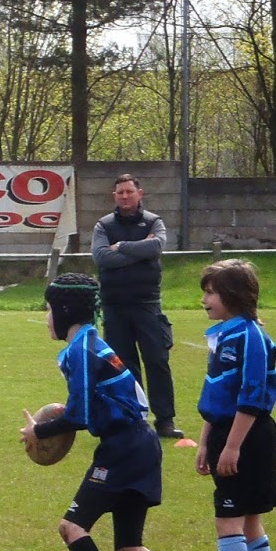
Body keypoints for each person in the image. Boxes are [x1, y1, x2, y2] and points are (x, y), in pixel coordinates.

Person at [20, 273, 221, 551]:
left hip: (125, 448)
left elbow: (78, 414)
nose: (46, 318)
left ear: (64, 311)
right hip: (137, 444)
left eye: (49, 309)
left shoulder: (81, 350)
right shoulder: (89, 343)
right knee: (129, 546)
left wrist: (39, 431)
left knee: (72, 527)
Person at [194, 260, 276, 551]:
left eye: (211, 293)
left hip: (246, 435)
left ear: (232, 296)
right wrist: (205, 442)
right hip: (225, 433)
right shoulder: (222, 336)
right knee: (248, 521)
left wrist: (231, 447)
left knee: (228, 520)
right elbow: (215, 395)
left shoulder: (251, 337)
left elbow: (252, 396)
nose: (204, 300)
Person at [91, 174, 183, 440]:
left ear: (139, 193)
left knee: (157, 361)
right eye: (120, 192)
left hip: (147, 304)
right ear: (114, 196)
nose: (125, 196)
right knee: (123, 366)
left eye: (129, 191)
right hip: (114, 306)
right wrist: (139, 252)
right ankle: (133, 419)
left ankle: (165, 421)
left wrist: (122, 247)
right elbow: (101, 257)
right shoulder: (103, 225)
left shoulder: (154, 221)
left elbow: (156, 247)